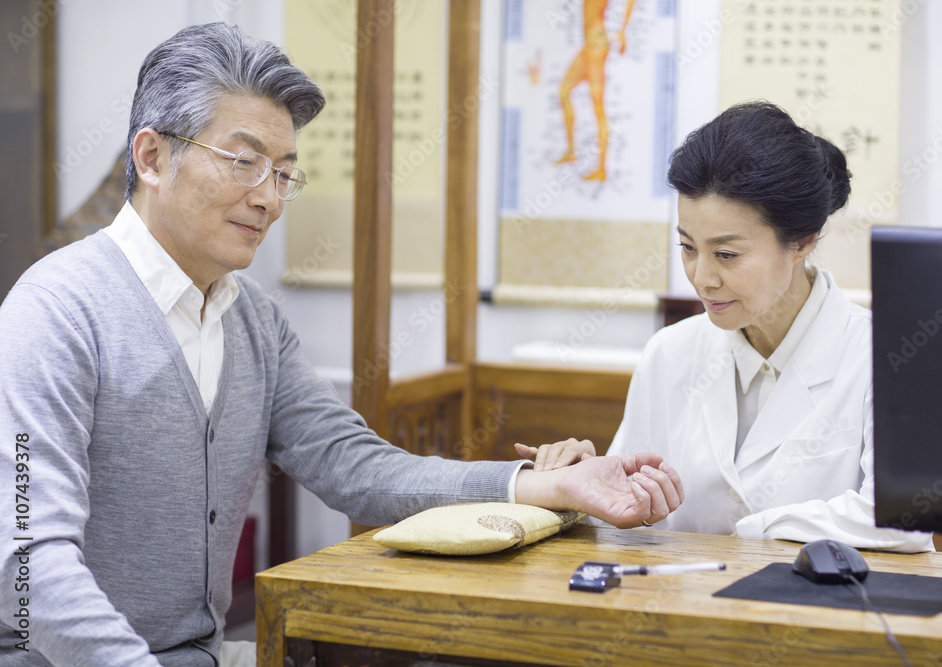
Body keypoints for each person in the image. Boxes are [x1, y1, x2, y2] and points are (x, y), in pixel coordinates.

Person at [0, 23, 683, 667]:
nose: (269, 197)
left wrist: (545, 484)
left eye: (284, 171)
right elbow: (28, 562)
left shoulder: (254, 322)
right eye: (244, 161)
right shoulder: (55, 312)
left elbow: (360, 468)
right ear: (151, 156)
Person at [524, 102, 934, 553]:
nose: (702, 278)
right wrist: (582, 485)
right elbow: (629, 518)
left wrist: (751, 530)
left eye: (727, 255)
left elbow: (902, 524)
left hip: (832, 615)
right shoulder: (670, 352)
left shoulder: (886, 356)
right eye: (687, 247)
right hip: (691, 610)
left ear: (802, 242)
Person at [554, 0, 635, 181]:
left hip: (596, 44)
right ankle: (571, 151)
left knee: (598, 107)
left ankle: (601, 169)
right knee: (564, 91)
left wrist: (623, 31)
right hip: (589, 43)